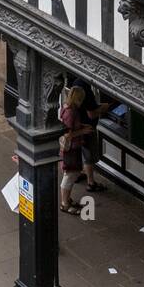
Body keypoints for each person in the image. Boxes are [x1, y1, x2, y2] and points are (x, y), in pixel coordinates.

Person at [71, 76, 112, 194]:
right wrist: (104, 108)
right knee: (89, 156)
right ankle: (91, 183)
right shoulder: (86, 89)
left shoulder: (77, 81)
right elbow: (92, 114)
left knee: (79, 152)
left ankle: (78, 174)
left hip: (78, 126)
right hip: (87, 128)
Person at [59, 86, 93, 215]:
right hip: (71, 149)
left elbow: (71, 128)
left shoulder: (68, 107)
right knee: (70, 175)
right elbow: (67, 133)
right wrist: (83, 131)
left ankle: (67, 199)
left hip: (72, 148)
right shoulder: (71, 112)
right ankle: (65, 204)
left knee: (72, 174)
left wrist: (81, 126)